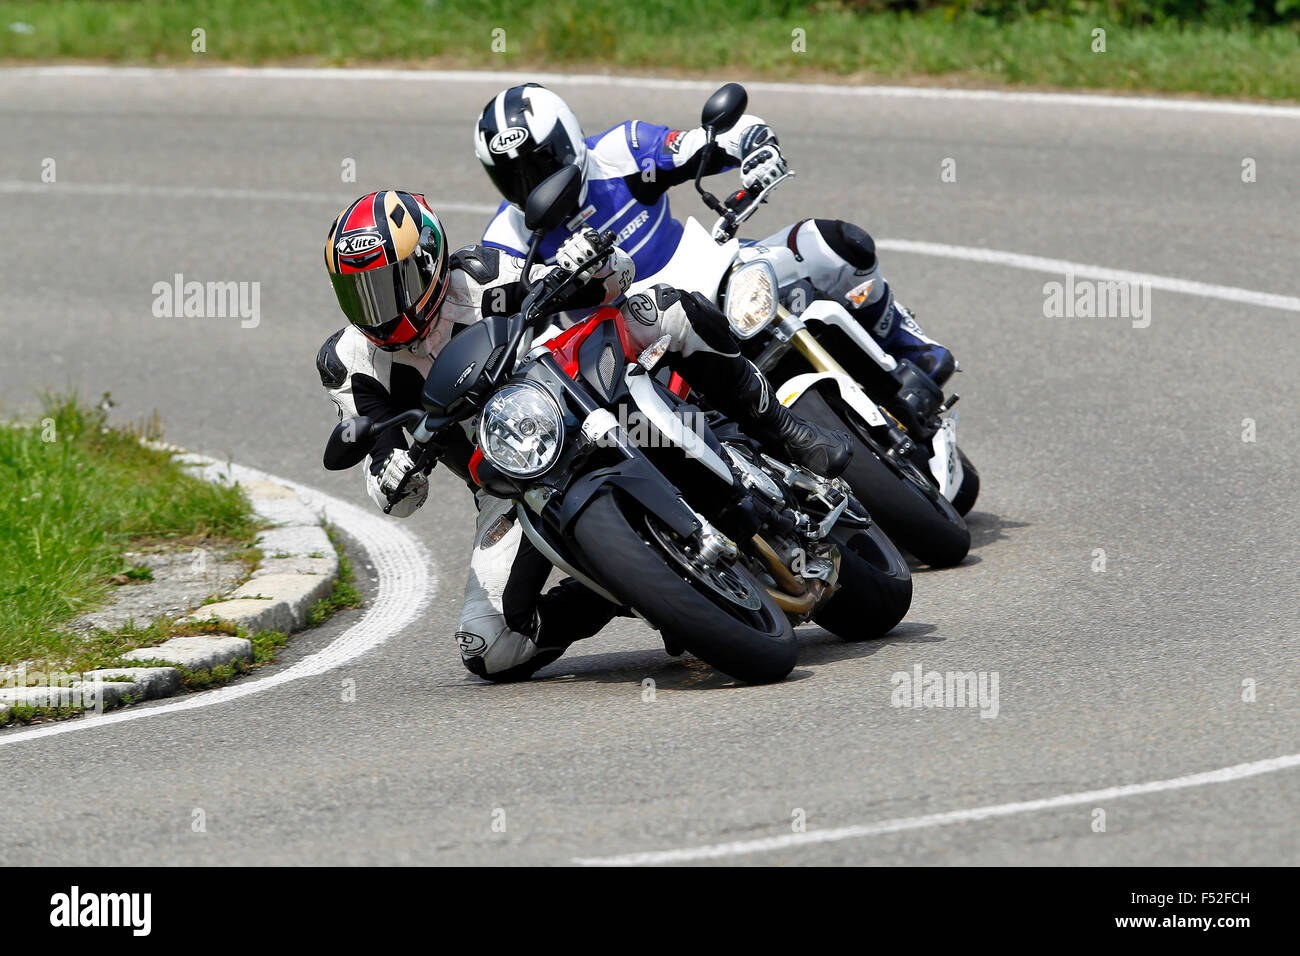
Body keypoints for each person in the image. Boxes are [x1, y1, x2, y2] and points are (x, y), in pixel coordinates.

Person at [316, 189, 849, 682]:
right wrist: (395, 478)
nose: (376, 309)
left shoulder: (480, 275)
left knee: (668, 308)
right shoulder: (349, 361)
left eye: (388, 285)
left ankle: (786, 430)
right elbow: (387, 472)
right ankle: (627, 586)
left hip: (577, 387)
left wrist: (591, 262)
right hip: (506, 482)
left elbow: (612, 280)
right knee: (490, 647)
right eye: (359, 293)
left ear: (429, 261)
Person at [474, 83, 956, 387]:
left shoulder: (620, 150)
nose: (536, 186)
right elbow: (496, 324)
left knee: (837, 244)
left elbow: (704, 141)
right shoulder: (507, 237)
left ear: (569, 138)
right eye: (514, 178)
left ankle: (910, 345)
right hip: (636, 350)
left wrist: (754, 145)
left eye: (543, 164)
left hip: (716, 275)